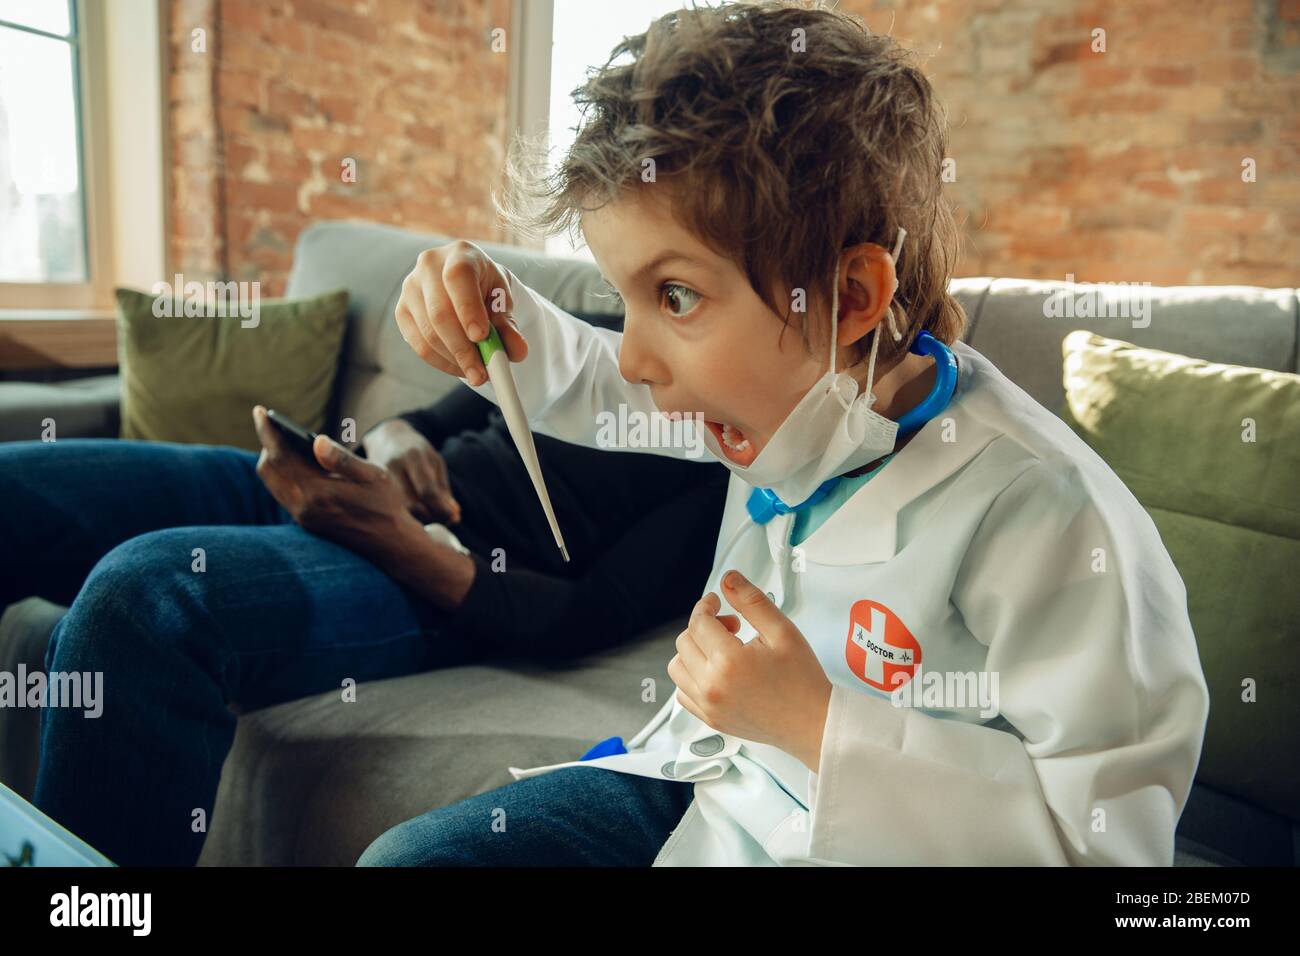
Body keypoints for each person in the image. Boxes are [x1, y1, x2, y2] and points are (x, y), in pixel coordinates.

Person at [357, 0, 1210, 867]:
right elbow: (594, 376)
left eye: (676, 295)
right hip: (712, 792)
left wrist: (822, 727)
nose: (640, 360)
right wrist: (487, 304)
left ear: (847, 299)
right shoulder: (792, 403)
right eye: (627, 299)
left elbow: (1105, 853)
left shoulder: (1051, 515)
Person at [0, 372, 728, 866]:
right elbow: (424, 419)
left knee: (148, 596)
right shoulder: (584, 336)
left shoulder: (721, 457)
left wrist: (399, 539)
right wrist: (397, 440)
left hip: (426, 571)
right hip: (332, 488)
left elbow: (584, 616)